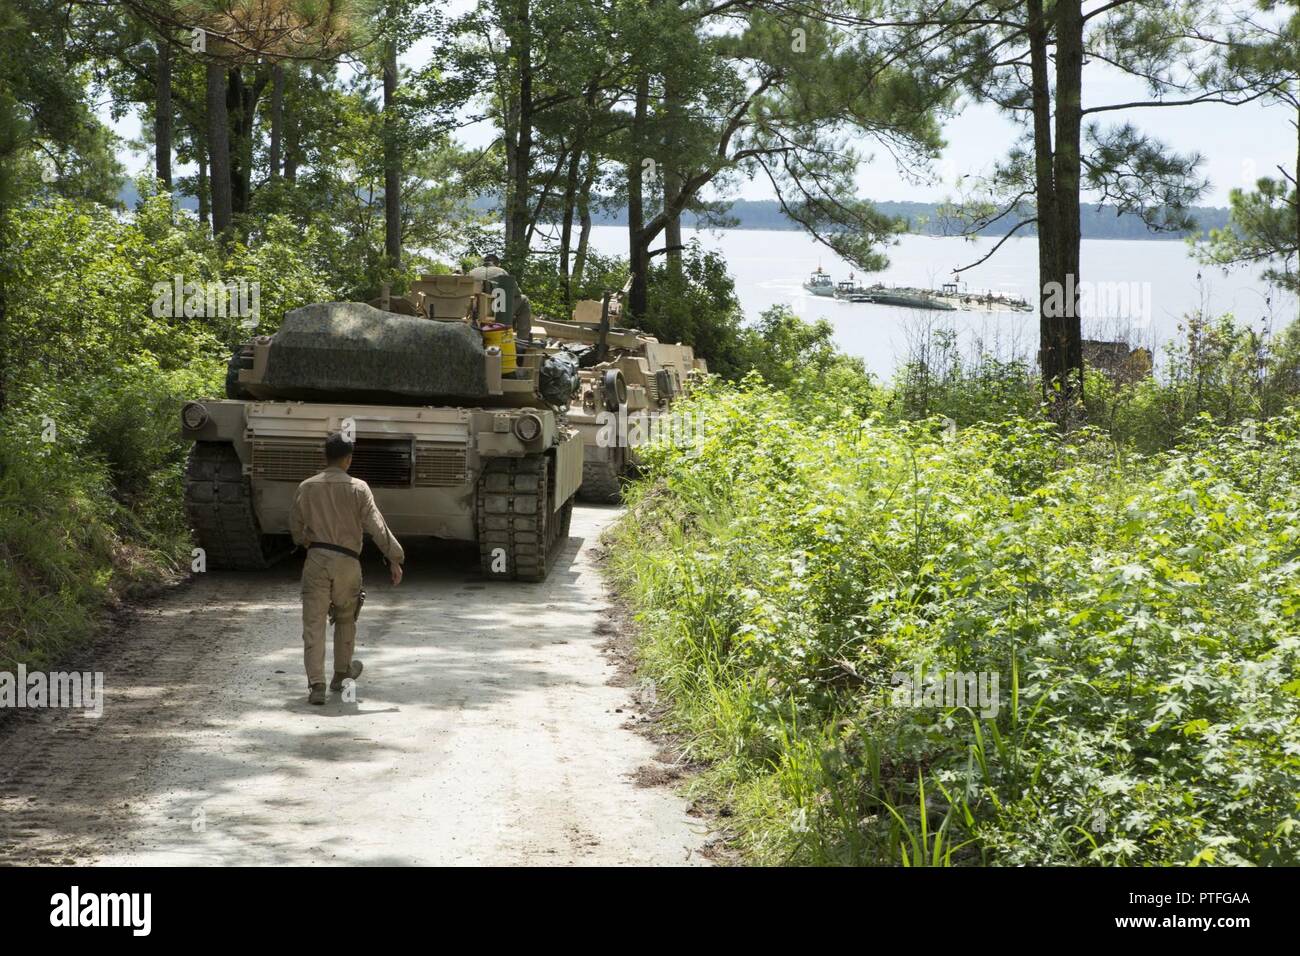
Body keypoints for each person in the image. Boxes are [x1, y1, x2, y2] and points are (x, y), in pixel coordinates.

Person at [290, 432, 404, 705]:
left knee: (314, 623)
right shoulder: (359, 488)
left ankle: (316, 686)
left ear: (324, 456)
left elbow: (295, 528)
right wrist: (395, 557)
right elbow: (377, 526)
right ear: (348, 459)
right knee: (345, 618)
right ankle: (341, 674)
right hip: (347, 562)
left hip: (316, 560)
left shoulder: (307, 487)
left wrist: (310, 542)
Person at [468, 254, 533, 342]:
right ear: (497, 264)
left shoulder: (471, 272)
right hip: (497, 310)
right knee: (524, 299)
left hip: (473, 310)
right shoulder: (501, 271)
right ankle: (523, 339)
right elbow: (516, 293)